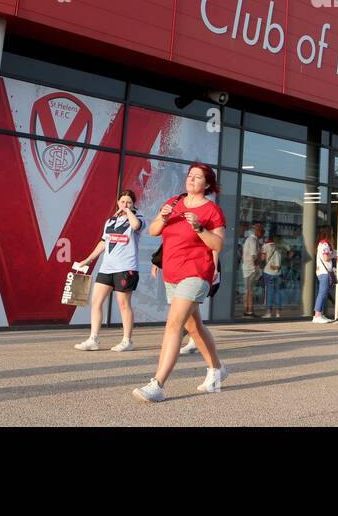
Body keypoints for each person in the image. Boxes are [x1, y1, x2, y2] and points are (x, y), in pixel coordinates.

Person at [133, 162, 228, 403]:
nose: (192, 180)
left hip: (196, 272)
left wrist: (198, 227)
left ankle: (158, 384)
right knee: (194, 327)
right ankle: (217, 369)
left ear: (207, 184)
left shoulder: (212, 211)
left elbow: (217, 244)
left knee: (173, 325)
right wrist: (163, 219)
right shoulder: (174, 202)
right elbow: (153, 231)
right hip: (172, 273)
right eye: (190, 176)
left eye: (198, 178)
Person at [73, 189, 143, 352]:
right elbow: (104, 242)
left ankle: (127, 341)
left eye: (129, 202)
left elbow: (135, 225)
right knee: (96, 302)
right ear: (117, 202)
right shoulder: (110, 221)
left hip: (126, 268)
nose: (125, 204)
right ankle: (93, 339)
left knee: (123, 304)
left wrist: (128, 212)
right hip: (107, 268)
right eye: (122, 202)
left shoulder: (138, 217)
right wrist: (87, 260)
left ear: (133, 204)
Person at [312, 226, 335, 324]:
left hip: (322, 272)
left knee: (323, 293)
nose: (333, 233)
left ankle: (319, 314)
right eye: (332, 231)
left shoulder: (322, 243)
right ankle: (317, 315)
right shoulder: (324, 244)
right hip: (324, 272)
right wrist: (334, 255)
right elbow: (326, 258)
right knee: (322, 293)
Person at [240, 223, 264, 317]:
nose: (262, 234)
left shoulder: (248, 239)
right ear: (257, 231)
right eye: (262, 232)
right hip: (251, 268)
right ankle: (249, 310)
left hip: (246, 267)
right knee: (250, 290)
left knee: (247, 290)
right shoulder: (253, 240)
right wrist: (257, 266)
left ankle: (247, 309)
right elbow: (254, 255)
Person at [261, 231, 283, 318]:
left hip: (268, 271)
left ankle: (268, 313)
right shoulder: (280, 246)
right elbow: (290, 252)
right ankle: (278, 313)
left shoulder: (265, 246)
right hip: (278, 272)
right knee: (278, 292)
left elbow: (263, 258)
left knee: (269, 292)